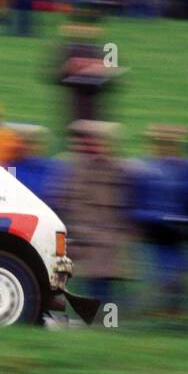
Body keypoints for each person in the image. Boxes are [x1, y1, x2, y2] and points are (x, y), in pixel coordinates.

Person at [57, 120, 132, 314]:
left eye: (95, 141)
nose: (89, 145)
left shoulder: (118, 169)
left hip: (107, 241)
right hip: (85, 239)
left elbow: (124, 205)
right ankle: (96, 323)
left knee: (105, 287)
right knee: (87, 286)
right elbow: (65, 203)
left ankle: (108, 324)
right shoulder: (71, 169)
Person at [128, 124, 188, 317]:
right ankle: (150, 312)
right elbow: (134, 203)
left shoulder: (187, 168)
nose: (168, 146)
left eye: (172, 142)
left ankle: (172, 312)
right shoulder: (142, 168)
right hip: (151, 232)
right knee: (156, 274)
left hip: (178, 232)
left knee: (176, 274)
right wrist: (154, 217)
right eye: (163, 142)